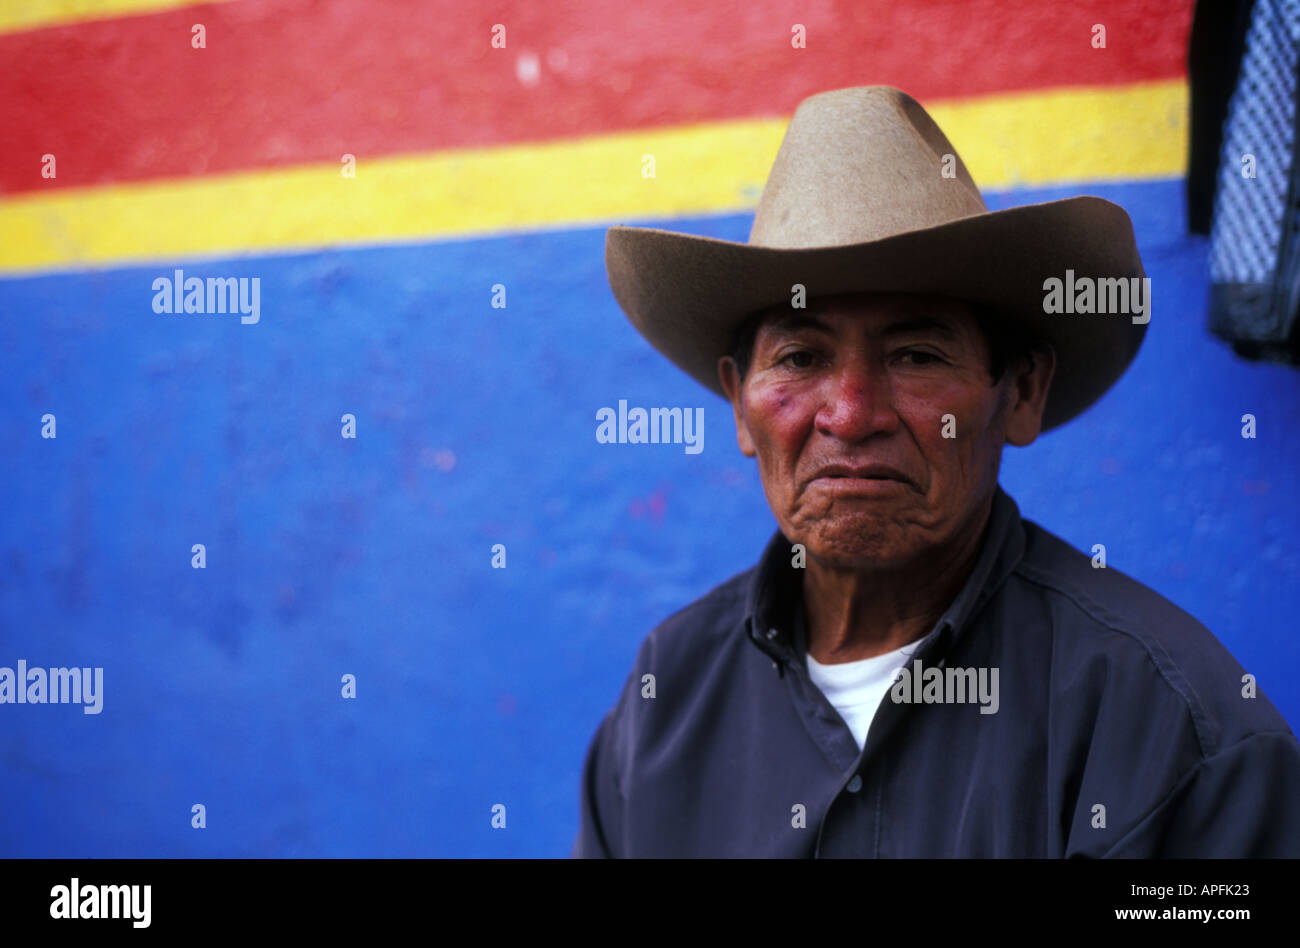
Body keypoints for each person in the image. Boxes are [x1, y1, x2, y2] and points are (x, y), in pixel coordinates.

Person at [574, 86, 1300, 857]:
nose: (851, 415)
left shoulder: (1163, 725)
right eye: (801, 358)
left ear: (1020, 392)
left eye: (916, 356)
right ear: (738, 402)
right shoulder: (667, 699)